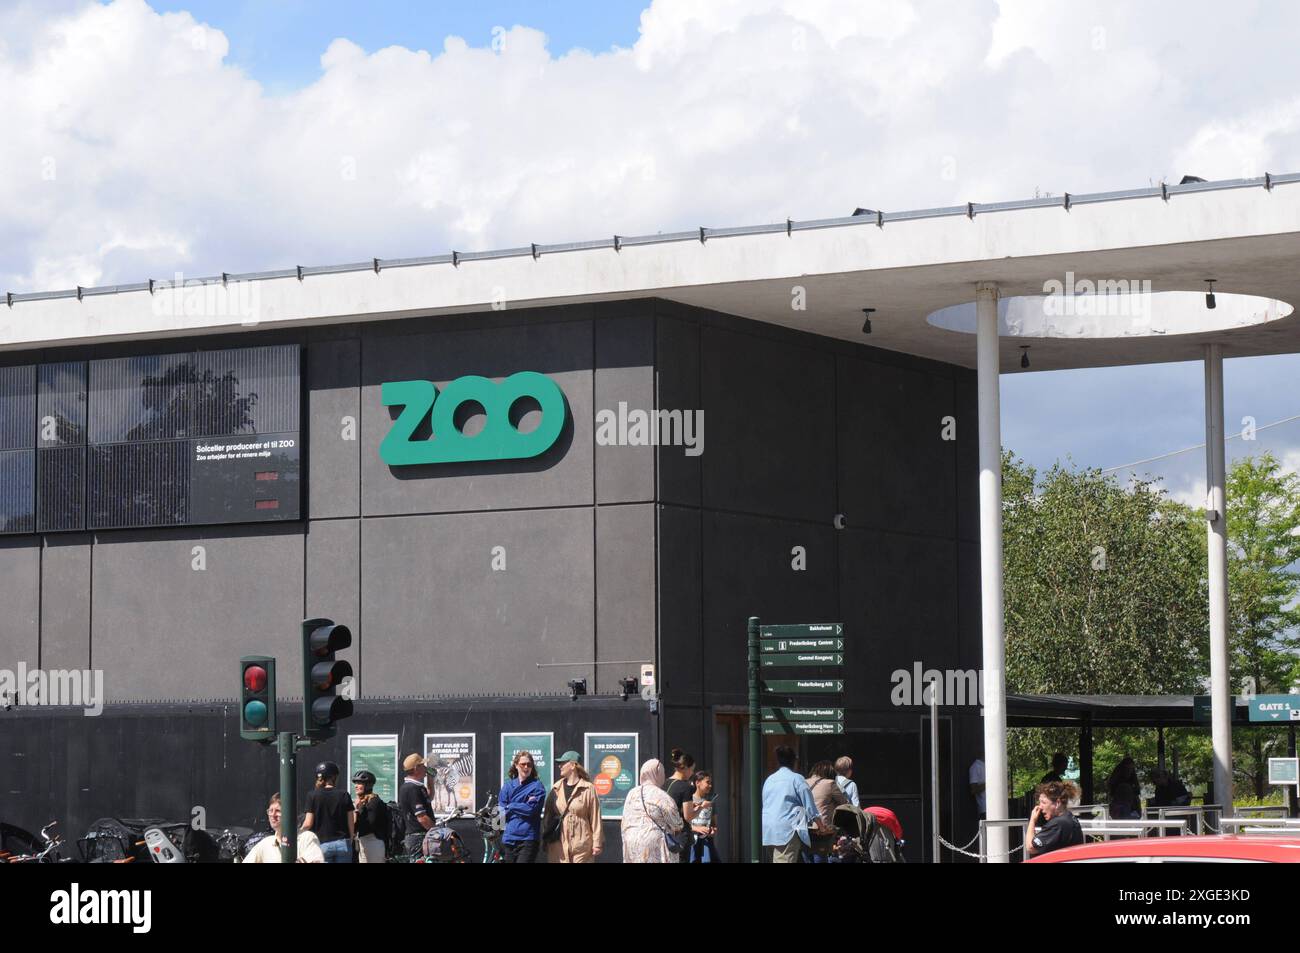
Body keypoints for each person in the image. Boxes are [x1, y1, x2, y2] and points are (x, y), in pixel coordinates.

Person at [761, 745, 824, 863]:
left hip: (768, 832)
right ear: (794, 761)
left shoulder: (769, 780)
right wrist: (821, 826)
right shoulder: (797, 779)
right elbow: (809, 805)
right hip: (787, 832)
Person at [620, 758, 685, 863]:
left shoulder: (631, 793)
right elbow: (676, 824)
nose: (664, 776)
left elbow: (625, 820)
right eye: (662, 773)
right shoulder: (662, 796)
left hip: (631, 843)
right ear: (657, 774)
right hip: (654, 845)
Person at [543, 750, 604, 863]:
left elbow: (595, 817)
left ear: (572, 765)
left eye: (563, 763)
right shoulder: (556, 788)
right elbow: (548, 815)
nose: (559, 766)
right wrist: (545, 839)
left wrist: (597, 843)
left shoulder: (588, 788)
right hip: (559, 843)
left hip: (582, 843)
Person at [243, 793, 325, 863]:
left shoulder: (307, 838)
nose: (273, 815)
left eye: (278, 811)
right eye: (270, 811)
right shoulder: (266, 843)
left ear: (291, 813)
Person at [302, 760, 355, 863]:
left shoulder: (312, 795)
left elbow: (308, 823)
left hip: (322, 845)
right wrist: (351, 838)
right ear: (334, 777)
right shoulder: (344, 794)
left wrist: (298, 832)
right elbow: (351, 822)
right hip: (343, 843)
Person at [500, 749, 546, 863]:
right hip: (509, 839)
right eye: (523, 764)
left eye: (529, 765)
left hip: (528, 839)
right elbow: (501, 813)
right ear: (516, 765)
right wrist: (522, 805)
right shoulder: (507, 786)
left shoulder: (537, 786)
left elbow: (531, 810)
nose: (526, 767)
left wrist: (511, 806)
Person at [1025, 780, 1084, 858]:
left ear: (1057, 803)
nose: (1040, 807)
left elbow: (1031, 847)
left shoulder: (1058, 824)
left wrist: (1032, 820)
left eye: (1043, 802)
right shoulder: (1070, 818)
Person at [805, 760, 848, 862]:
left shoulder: (804, 782)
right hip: (821, 829)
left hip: (804, 828)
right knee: (820, 858)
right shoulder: (830, 783)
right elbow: (845, 804)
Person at [398, 752, 435, 857]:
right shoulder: (411, 788)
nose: (425, 768)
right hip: (418, 838)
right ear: (416, 768)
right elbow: (422, 817)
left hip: (420, 837)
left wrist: (430, 779)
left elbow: (429, 798)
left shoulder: (417, 787)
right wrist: (436, 831)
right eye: (423, 765)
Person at [665, 748, 696, 863]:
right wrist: (700, 808)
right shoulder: (686, 787)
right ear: (685, 768)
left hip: (666, 835)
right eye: (692, 769)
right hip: (680, 837)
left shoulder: (664, 783)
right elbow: (688, 816)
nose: (692, 773)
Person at [352, 769, 389, 863]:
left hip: (373, 842)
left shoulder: (374, 801)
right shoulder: (362, 802)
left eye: (359, 783)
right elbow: (355, 827)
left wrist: (358, 810)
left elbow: (369, 825)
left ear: (368, 785)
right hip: (364, 842)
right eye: (355, 783)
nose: (356, 786)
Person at [688, 770, 719, 863]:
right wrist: (696, 828)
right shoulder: (688, 799)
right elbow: (682, 822)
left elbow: (713, 822)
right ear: (698, 783)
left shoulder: (710, 801)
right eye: (707, 782)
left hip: (706, 841)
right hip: (691, 841)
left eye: (711, 783)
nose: (710, 785)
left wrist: (713, 829)